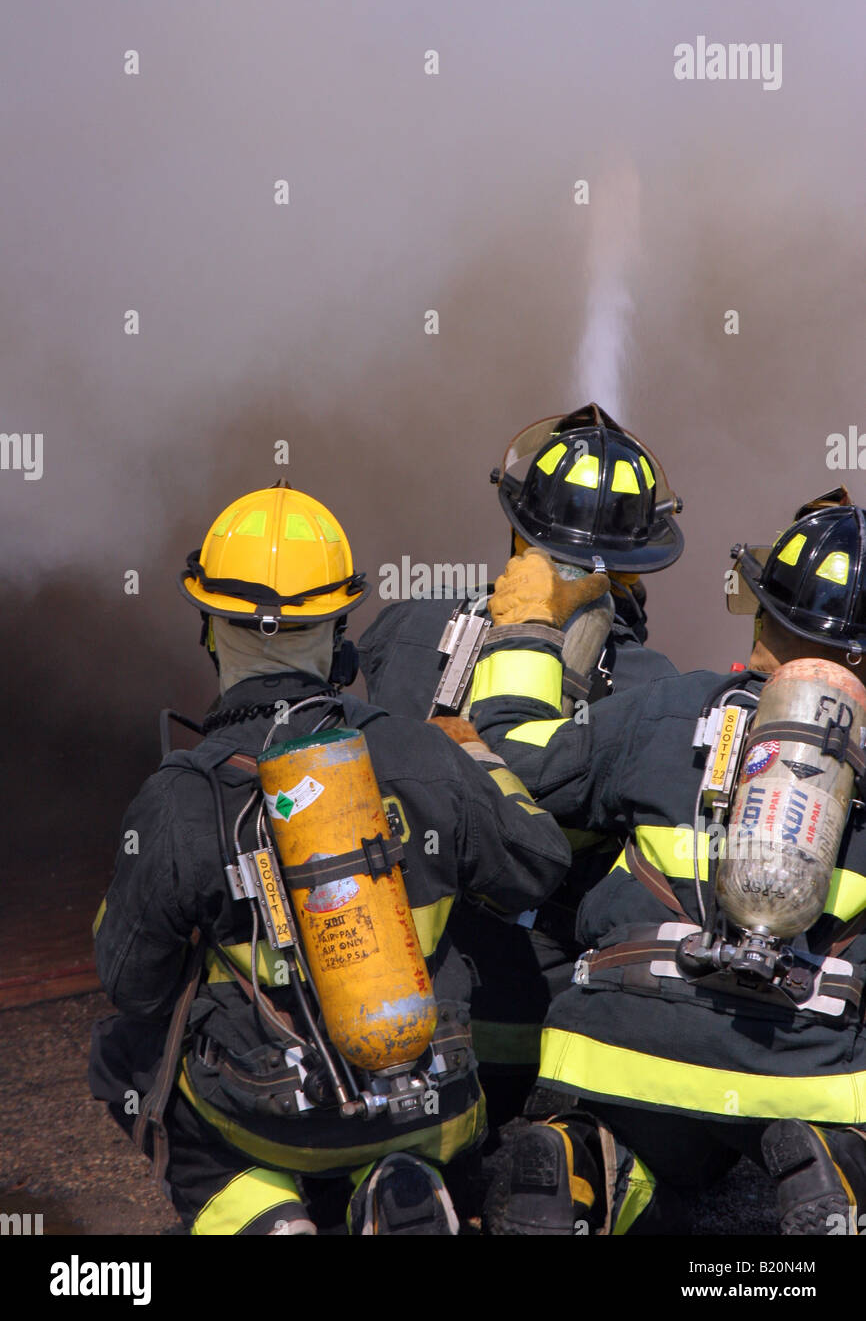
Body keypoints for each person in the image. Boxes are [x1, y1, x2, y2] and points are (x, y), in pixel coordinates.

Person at [88, 482, 572, 1235]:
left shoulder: (178, 796)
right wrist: (478, 754)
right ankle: (399, 1181)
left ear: (209, 630)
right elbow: (537, 863)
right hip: (432, 1101)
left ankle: (262, 1211)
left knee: (121, 1050)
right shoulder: (420, 751)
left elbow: (131, 981)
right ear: (341, 630)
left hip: (268, 1114)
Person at [469, 500, 866, 1235]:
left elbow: (513, 755)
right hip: (801, 1072)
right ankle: (835, 1158)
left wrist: (527, 627)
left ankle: (583, 1155)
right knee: (827, 1119)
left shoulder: (672, 706)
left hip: (614, 1051)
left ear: (759, 611)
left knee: (626, 1145)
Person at [359, 406, 684, 1126]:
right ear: (633, 564)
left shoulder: (406, 628)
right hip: (537, 1046)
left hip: (382, 1024)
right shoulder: (656, 690)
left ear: (518, 526)